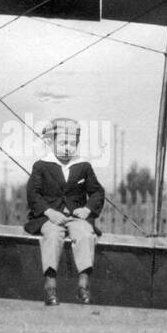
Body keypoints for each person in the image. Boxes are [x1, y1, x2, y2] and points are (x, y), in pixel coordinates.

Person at [24, 117, 105, 306]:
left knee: (86, 235)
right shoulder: (42, 166)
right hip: (50, 218)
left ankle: (83, 286)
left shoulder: (83, 166)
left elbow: (97, 192)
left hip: (75, 217)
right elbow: (33, 194)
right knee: (52, 236)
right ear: (51, 143)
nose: (68, 148)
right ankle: (50, 286)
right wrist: (49, 212)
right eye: (63, 143)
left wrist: (87, 209)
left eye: (72, 143)